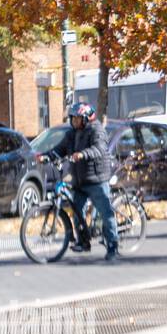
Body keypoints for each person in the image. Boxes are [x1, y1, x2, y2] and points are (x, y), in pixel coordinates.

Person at [48, 101, 118, 262]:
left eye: (77, 119)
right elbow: (60, 148)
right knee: (77, 210)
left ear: (86, 118)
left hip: (96, 179)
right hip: (80, 180)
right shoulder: (72, 134)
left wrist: (82, 154)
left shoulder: (96, 130)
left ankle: (113, 246)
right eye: (72, 119)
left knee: (105, 213)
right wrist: (46, 155)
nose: (74, 122)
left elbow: (100, 149)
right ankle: (84, 242)